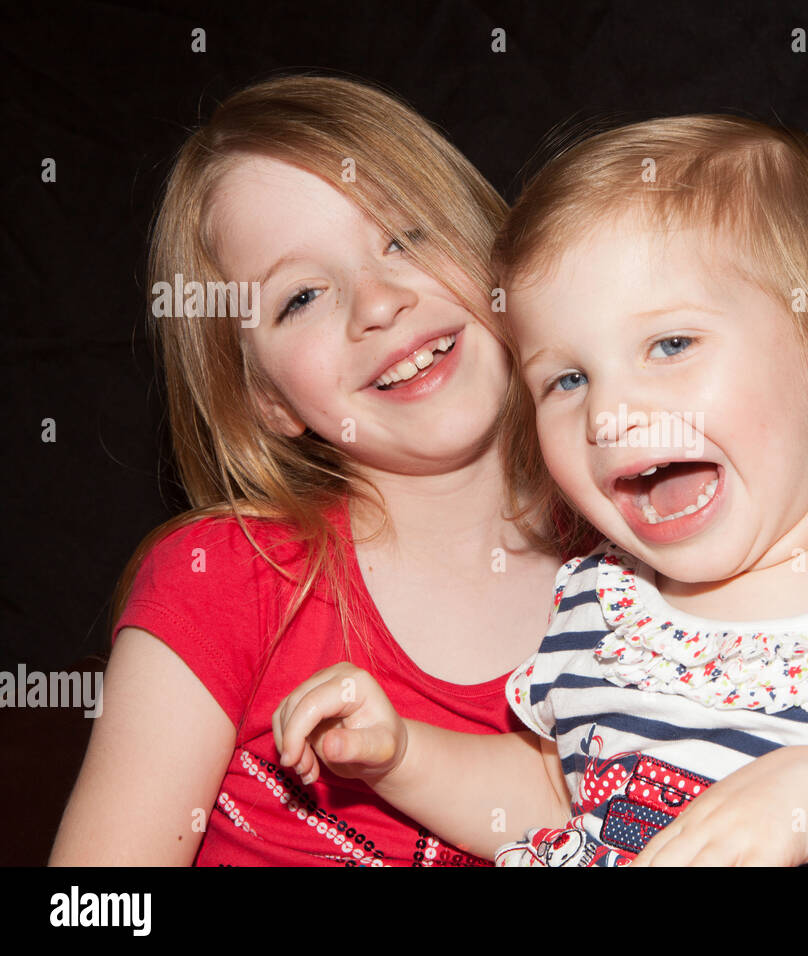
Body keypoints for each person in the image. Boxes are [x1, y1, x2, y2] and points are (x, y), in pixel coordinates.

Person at [273, 115, 808, 866]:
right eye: (567, 379)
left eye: (672, 345)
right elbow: (553, 801)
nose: (610, 413)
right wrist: (402, 759)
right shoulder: (600, 608)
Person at [49, 74, 579, 866]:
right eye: (300, 297)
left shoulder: (670, 563)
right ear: (263, 397)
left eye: (408, 238)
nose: (377, 301)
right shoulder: (227, 582)